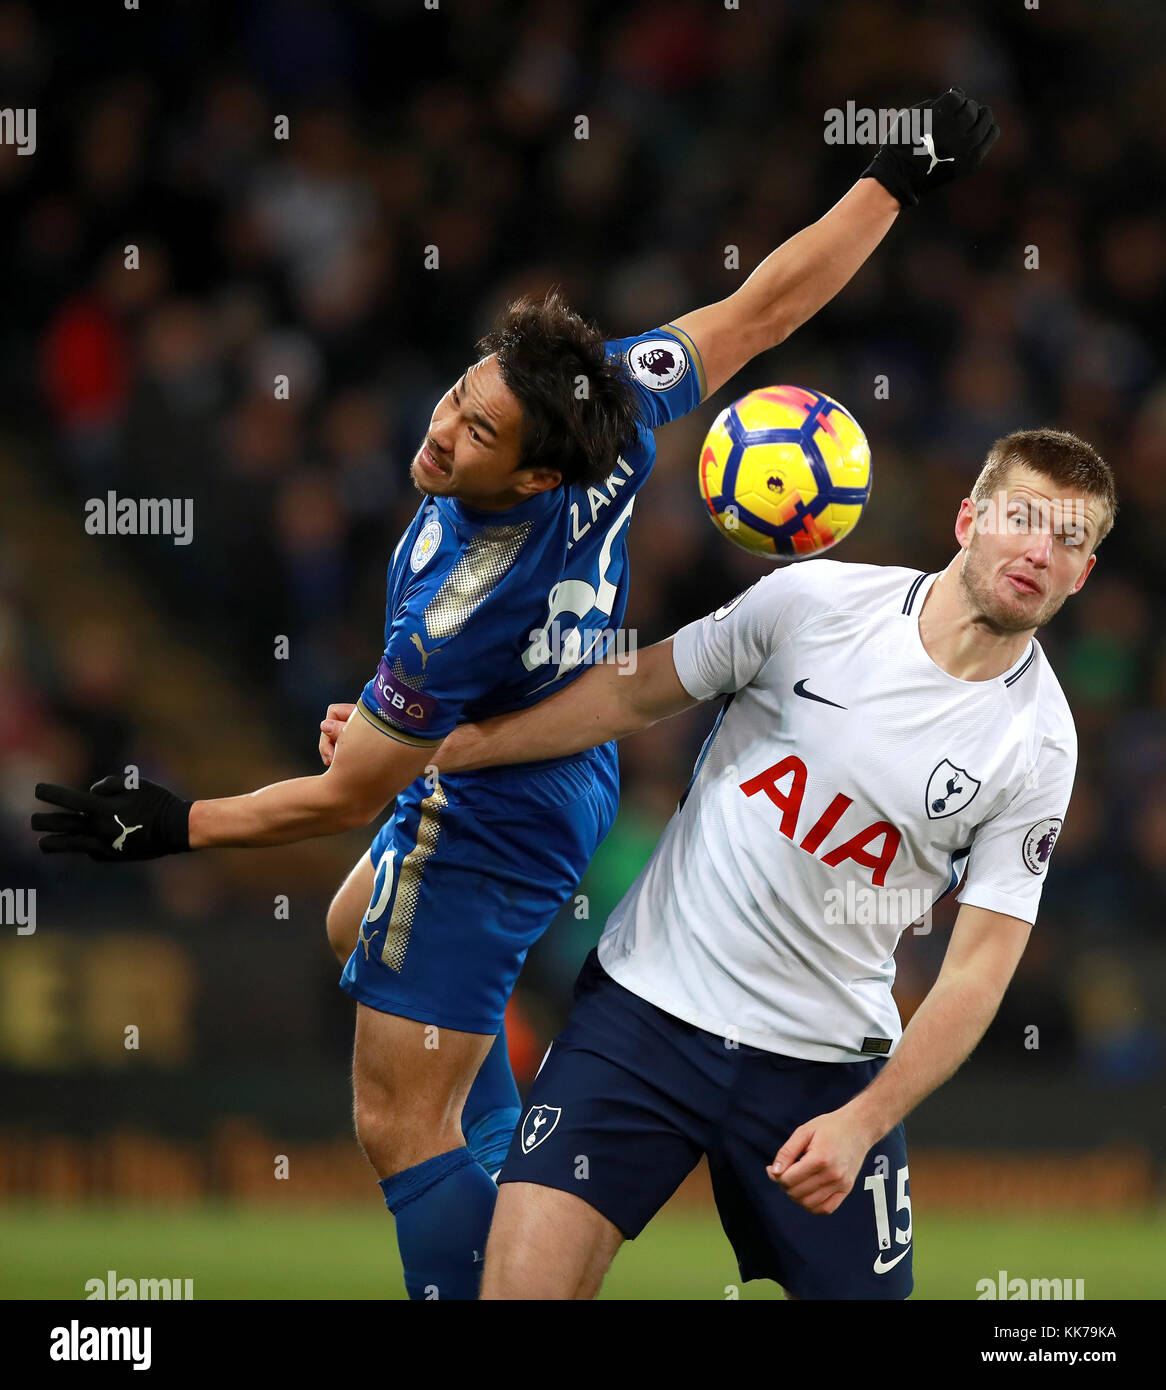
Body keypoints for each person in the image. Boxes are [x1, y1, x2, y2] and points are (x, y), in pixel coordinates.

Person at [31, 91, 998, 1300]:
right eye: (455, 396)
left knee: (397, 1122)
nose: (438, 435)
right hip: (555, 768)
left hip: (492, 810)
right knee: (349, 928)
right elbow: (766, 305)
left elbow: (344, 795)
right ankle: (514, 1190)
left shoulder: (460, 600)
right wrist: (892, 184)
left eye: (471, 432)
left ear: (534, 470)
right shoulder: (610, 407)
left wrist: (178, 825)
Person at [439, 429, 1116, 1300]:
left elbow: (980, 969)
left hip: (824, 1071)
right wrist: (450, 747)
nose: (1039, 550)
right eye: (1022, 517)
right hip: (644, 1017)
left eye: (1070, 539)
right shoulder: (814, 602)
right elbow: (631, 690)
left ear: (1083, 574)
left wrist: (863, 1122)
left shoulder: (1040, 746)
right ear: (967, 519)